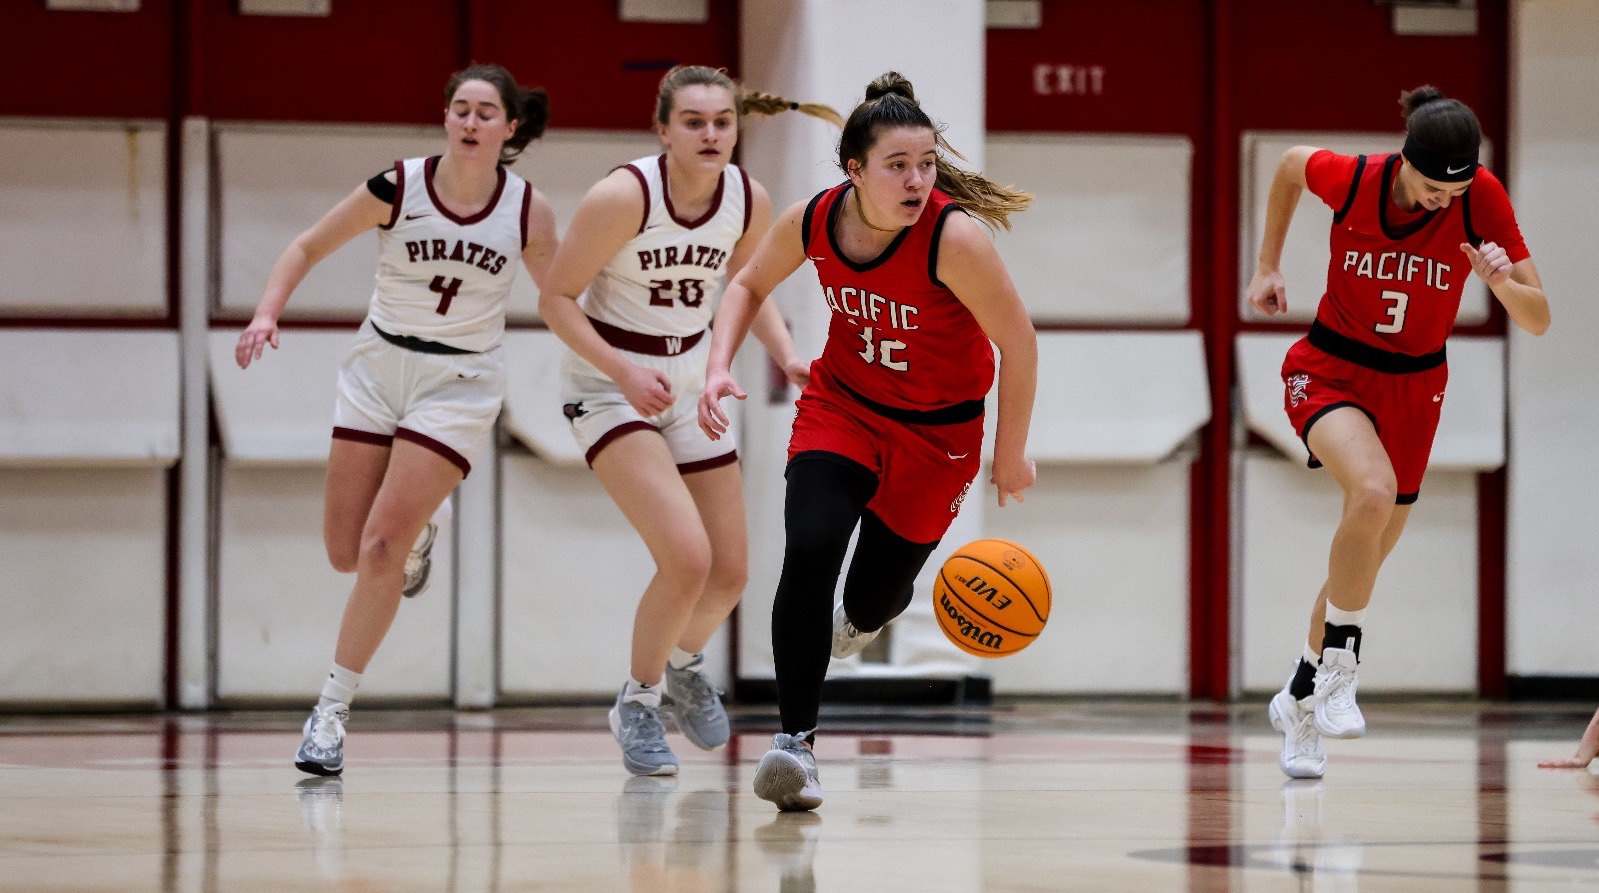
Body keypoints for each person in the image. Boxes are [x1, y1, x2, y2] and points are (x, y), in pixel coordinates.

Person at [698, 71, 1039, 811]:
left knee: (875, 594)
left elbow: (1019, 342)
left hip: (939, 434)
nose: (916, 179)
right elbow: (745, 285)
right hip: (842, 406)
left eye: (924, 164)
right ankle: (795, 744)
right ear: (854, 170)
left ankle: (860, 620)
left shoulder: (955, 239)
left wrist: (1009, 450)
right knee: (810, 544)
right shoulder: (813, 219)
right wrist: (719, 364)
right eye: (896, 166)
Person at [235, 64, 558, 776]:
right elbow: (306, 246)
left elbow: (564, 297)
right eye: (460, 109)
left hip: (460, 382)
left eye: (485, 113)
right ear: (445, 118)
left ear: (509, 128)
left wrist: (620, 360)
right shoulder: (398, 186)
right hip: (378, 370)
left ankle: (330, 711)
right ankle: (422, 534)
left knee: (380, 548)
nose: (471, 122)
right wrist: (266, 311)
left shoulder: (527, 209)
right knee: (345, 552)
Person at [539, 66, 838, 777]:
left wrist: (787, 356)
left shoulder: (746, 196)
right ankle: (638, 702)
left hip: (689, 379)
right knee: (686, 558)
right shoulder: (622, 195)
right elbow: (556, 298)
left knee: (730, 572)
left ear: (737, 128)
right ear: (663, 128)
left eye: (722, 123)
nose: (710, 135)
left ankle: (680, 666)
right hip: (611, 383)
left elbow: (745, 284)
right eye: (694, 122)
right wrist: (619, 370)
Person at [1248, 86, 1550, 781]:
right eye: (1427, 187)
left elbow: (1537, 317)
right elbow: (1292, 163)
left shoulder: (1480, 199)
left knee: (1366, 551)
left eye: (1454, 190)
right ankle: (1342, 665)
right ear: (1403, 161)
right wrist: (1266, 264)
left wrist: (1500, 282)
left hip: (1415, 384)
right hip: (1329, 368)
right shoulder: (1354, 178)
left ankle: (1298, 696)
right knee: (1372, 491)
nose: (1441, 201)